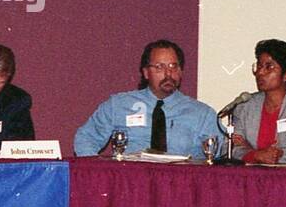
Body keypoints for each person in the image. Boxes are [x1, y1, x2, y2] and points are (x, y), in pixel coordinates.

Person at [74, 39, 225, 159]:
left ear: (180, 72)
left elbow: (223, 150)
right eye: (159, 67)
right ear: (146, 72)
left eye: (173, 66)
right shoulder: (118, 105)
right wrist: (102, 175)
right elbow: (85, 139)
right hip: (130, 184)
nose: (168, 74)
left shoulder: (202, 114)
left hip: (179, 187)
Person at [229, 39, 286, 164]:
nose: (260, 72)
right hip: (249, 178)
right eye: (259, 66)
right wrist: (257, 155)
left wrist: (273, 156)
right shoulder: (245, 105)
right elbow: (232, 149)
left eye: (269, 67)